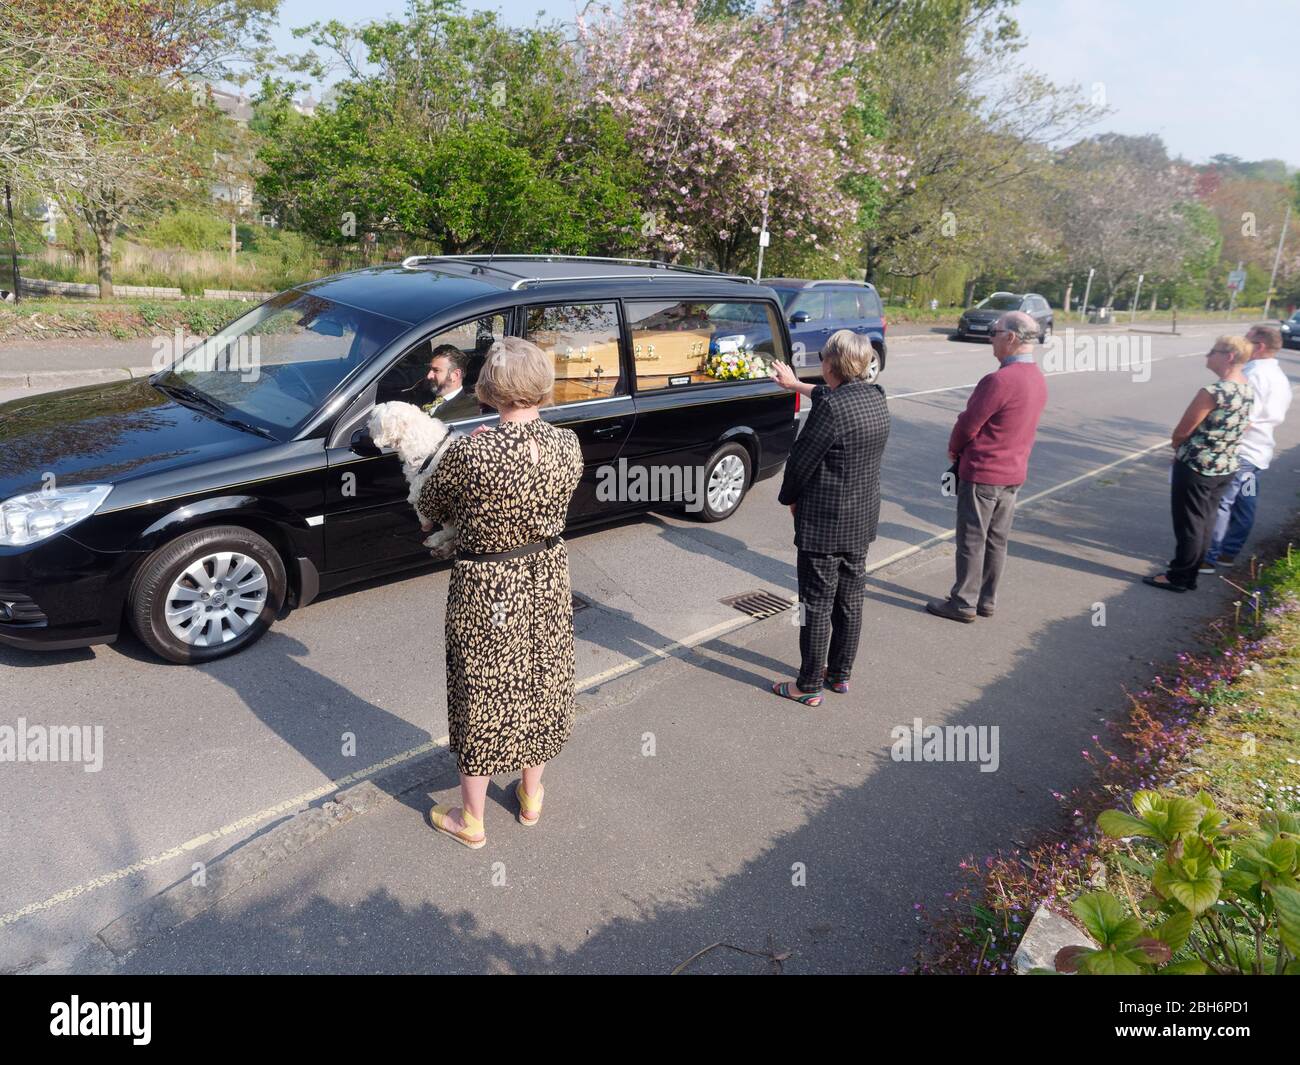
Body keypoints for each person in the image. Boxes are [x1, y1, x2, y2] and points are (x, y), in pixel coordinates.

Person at [416, 337, 584, 848]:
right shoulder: (568, 444)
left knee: (483, 692)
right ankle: (530, 798)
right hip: (547, 576)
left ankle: (472, 821)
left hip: (488, 584)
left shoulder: (472, 451)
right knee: (539, 681)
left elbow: (429, 506)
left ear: (489, 390)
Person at [768, 330, 890, 707]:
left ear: (830, 364)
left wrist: (789, 499)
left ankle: (808, 685)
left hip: (823, 524)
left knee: (816, 605)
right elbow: (829, 396)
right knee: (850, 602)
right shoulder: (876, 397)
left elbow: (801, 461)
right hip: (861, 522)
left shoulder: (832, 410)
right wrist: (794, 384)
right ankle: (839, 675)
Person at [926, 311, 1047, 623]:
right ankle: (986, 599)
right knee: (997, 539)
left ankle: (963, 602)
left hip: (984, 471)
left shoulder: (999, 380)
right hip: (1014, 472)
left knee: (971, 539)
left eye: (995, 331)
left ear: (1011, 337)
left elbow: (968, 425)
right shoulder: (1036, 377)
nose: (991, 337)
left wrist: (954, 451)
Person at [1144, 336, 1254, 592]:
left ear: (1228, 356)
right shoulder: (1247, 388)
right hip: (1226, 465)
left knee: (1189, 523)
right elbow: (1245, 425)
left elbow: (1183, 431)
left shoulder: (1213, 392)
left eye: (1212, 351)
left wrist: (1178, 448)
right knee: (1206, 521)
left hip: (1197, 465)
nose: (1207, 355)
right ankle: (1189, 574)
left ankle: (1179, 576)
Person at [1201, 325, 1291, 573]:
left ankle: (1210, 556)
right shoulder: (1278, 375)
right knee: (1245, 501)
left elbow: (1244, 417)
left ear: (1259, 346)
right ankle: (1229, 553)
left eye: (1247, 340)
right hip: (1259, 454)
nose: (1242, 345)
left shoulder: (1253, 374)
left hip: (1240, 451)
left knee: (1222, 502)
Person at [422, 344, 483, 421]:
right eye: (430, 369)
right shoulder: (423, 393)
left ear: (455, 375)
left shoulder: (467, 410)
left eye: (436, 370)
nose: (429, 375)